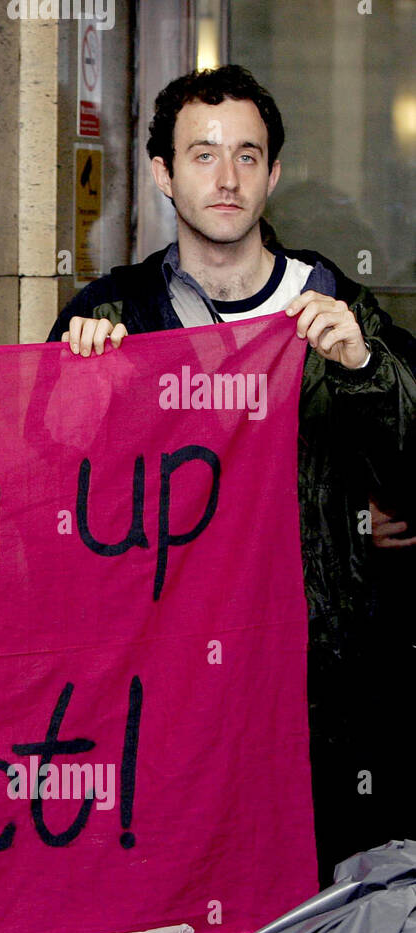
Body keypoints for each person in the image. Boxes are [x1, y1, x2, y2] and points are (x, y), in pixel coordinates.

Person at [48, 65, 416, 886]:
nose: (226, 177)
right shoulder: (108, 317)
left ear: (273, 174)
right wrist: (75, 403)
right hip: (169, 694)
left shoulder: (330, 302)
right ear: (162, 174)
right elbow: (46, 506)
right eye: (203, 154)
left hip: (320, 697)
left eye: (248, 156)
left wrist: (362, 366)